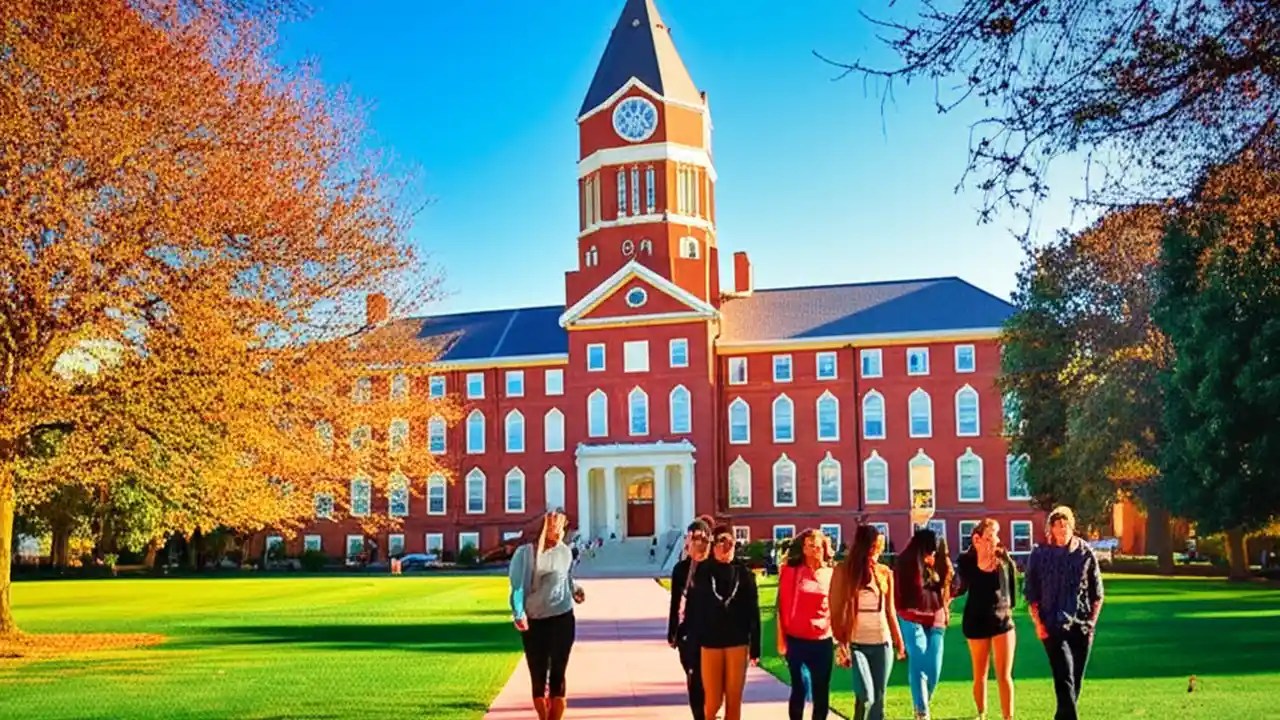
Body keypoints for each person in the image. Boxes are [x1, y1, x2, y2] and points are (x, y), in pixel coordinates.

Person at [1025, 506, 1104, 720]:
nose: (1062, 529)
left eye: (1065, 524)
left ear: (1072, 526)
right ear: (1050, 528)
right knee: (1064, 676)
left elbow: (1097, 593)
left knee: (1074, 681)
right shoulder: (1040, 553)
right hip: (1052, 625)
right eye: (1057, 524)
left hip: (1081, 625)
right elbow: (1031, 592)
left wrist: (1091, 623)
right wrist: (1038, 624)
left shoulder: (1085, 552)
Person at [508, 509, 586, 720]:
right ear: (544, 528)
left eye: (562, 527)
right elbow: (517, 587)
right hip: (535, 621)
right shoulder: (526, 554)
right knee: (538, 672)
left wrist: (576, 590)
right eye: (555, 527)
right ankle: (544, 715)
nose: (560, 532)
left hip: (562, 616)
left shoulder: (565, 552)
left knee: (559, 669)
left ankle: (555, 717)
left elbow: (566, 579)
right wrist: (518, 612)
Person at [830, 524, 906, 720]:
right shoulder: (844, 571)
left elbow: (890, 611)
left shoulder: (884, 572)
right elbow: (835, 609)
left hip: (882, 643)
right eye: (872, 547)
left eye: (879, 547)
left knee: (878, 700)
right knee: (866, 696)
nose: (876, 552)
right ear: (862, 547)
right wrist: (840, 643)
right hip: (857, 644)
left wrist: (900, 642)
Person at [691, 523, 761, 720]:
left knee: (734, 699)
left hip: (737, 643)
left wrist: (755, 647)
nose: (726, 547)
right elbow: (696, 611)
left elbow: (753, 612)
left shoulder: (744, 575)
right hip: (710, 644)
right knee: (713, 701)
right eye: (721, 541)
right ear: (713, 545)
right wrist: (692, 645)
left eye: (730, 542)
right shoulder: (703, 572)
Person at [954, 518, 1019, 720]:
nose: (996, 540)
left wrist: (1003, 565)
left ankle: (1008, 717)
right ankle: (982, 714)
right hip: (976, 621)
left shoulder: (1003, 561)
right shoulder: (965, 561)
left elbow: (1012, 594)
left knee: (1004, 675)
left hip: (1002, 621)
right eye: (990, 537)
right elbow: (960, 587)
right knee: (980, 674)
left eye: (997, 536)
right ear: (977, 539)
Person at [893, 528, 954, 720]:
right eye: (930, 549)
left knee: (934, 667)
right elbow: (903, 592)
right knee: (918, 660)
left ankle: (924, 700)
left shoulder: (939, 562)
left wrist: (940, 569)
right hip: (911, 617)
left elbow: (952, 584)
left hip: (935, 617)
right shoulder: (906, 562)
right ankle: (921, 711)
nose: (932, 553)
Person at [777, 528, 835, 720]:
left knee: (821, 690)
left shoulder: (831, 574)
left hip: (823, 641)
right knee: (799, 686)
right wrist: (781, 639)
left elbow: (837, 608)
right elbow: (782, 606)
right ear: (803, 549)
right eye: (810, 546)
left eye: (818, 546)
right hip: (797, 640)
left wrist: (841, 640)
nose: (815, 549)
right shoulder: (791, 572)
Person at [667, 518, 713, 720]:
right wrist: (672, 631)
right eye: (692, 537)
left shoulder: (715, 567)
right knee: (694, 679)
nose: (696, 542)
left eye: (701, 538)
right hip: (688, 634)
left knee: (711, 680)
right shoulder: (680, 569)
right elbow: (675, 602)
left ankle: (709, 711)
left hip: (713, 633)